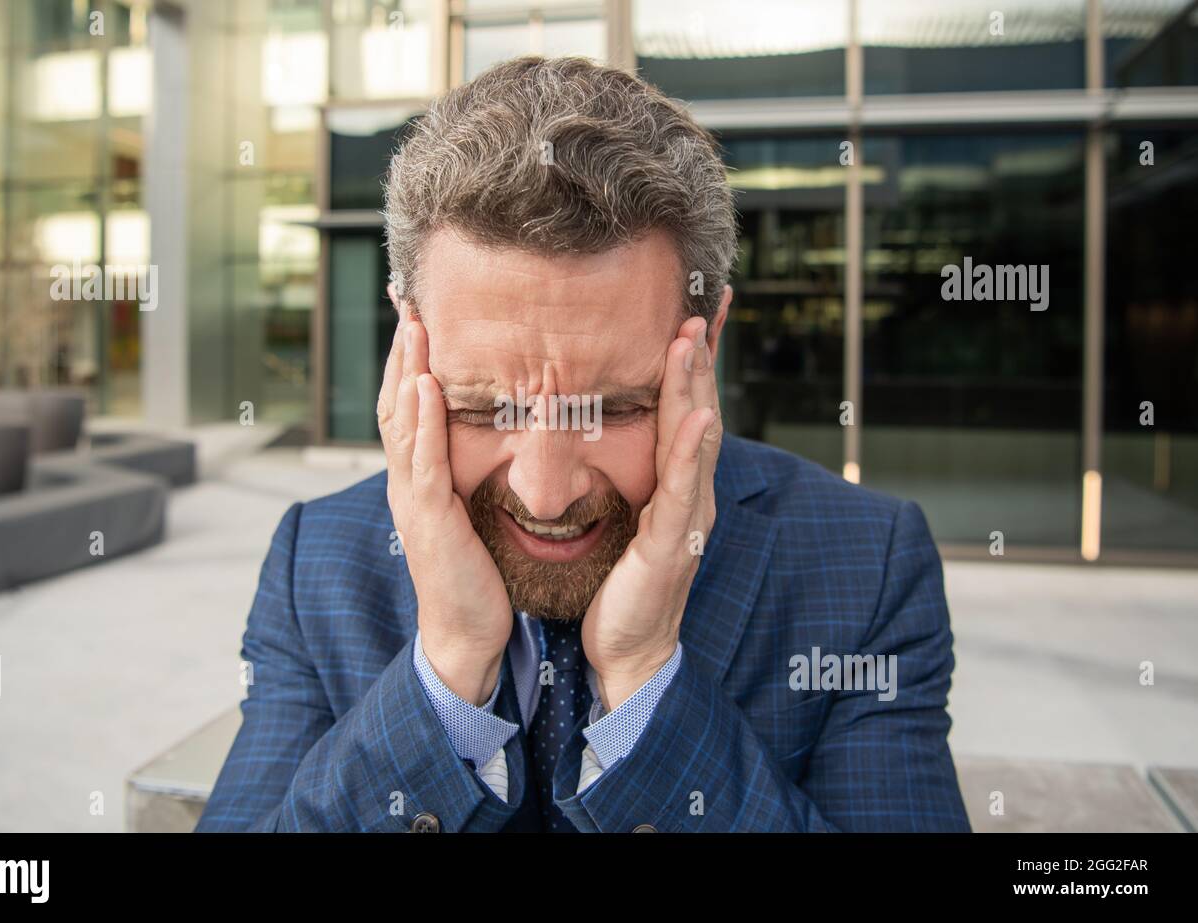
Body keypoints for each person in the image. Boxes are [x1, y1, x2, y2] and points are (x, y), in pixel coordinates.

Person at [197, 56, 970, 833]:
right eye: (485, 407)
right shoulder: (317, 563)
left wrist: (644, 681)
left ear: (709, 343)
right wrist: (448, 669)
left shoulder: (865, 567)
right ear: (409, 342)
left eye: (610, 406)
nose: (545, 492)